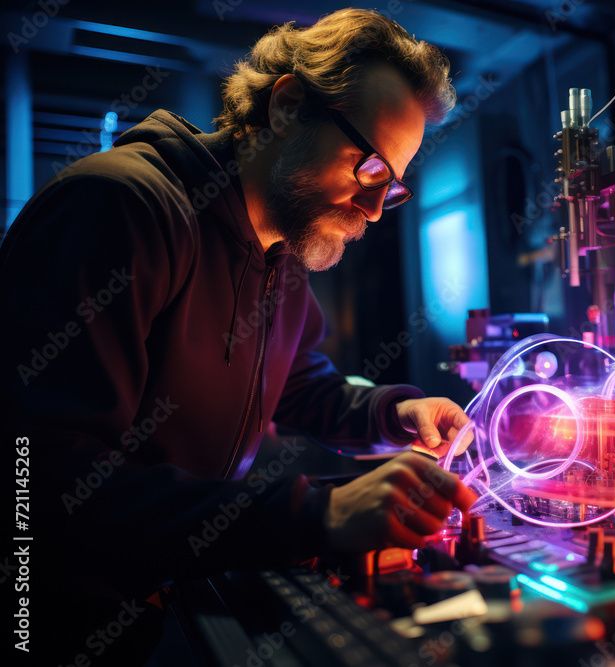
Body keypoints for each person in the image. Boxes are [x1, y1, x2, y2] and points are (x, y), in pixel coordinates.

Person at [0, 8, 476, 664]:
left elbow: (299, 384)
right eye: (368, 167)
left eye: (390, 187)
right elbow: (42, 482)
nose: (373, 210)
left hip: (154, 599)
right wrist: (317, 514)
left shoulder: (282, 255)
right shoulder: (119, 207)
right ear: (287, 107)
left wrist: (390, 414)